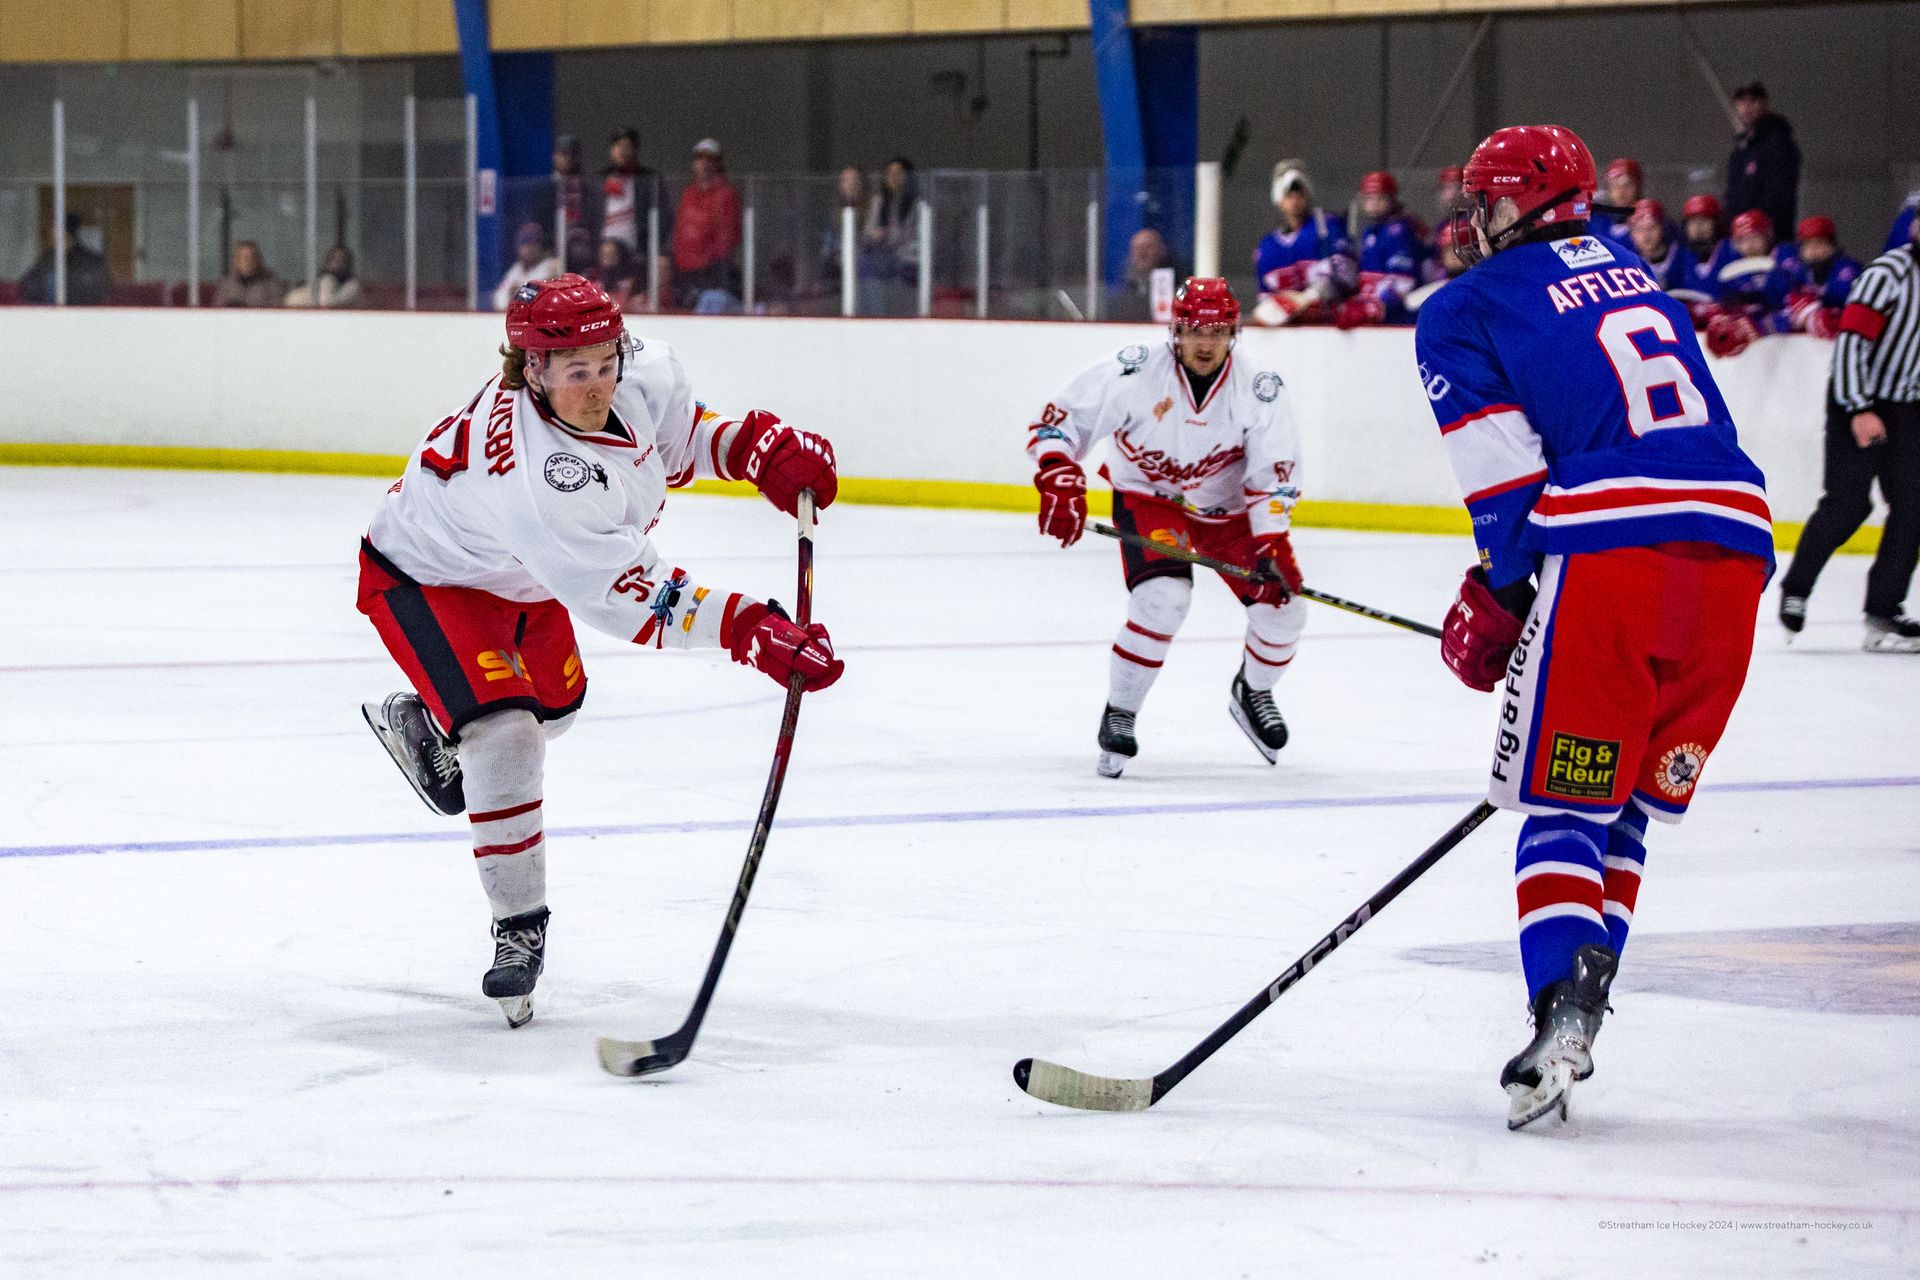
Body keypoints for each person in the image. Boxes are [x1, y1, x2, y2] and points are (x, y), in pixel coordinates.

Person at [356, 274, 843, 1027]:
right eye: (575, 371)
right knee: (506, 733)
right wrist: (751, 630)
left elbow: (679, 438)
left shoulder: (641, 370)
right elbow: (640, 596)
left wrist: (756, 449)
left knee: (558, 710)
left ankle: (432, 729)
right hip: (427, 575)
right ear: (533, 370)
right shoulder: (535, 481)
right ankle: (519, 925)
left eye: (606, 363)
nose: (596, 386)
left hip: (525, 574)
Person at [1414, 124, 1773, 1130]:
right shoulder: (1631, 269)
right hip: (1735, 555)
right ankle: (1580, 1010)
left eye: (1486, 201)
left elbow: (1505, 484)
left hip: (1615, 557)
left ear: (1524, 205)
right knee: (1623, 811)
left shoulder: (1461, 308)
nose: (1473, 221)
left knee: (1562, 807)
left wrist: (1501, 595)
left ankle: (1561, 1006)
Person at [1026, 277, 1307, 777]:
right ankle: (1121, 711)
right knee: (1163, 599)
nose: (1206, 343)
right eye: (1195, 330)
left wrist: (1269, 542)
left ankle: (1254, 691)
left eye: (1217, 331)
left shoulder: (1259, 387)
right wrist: (1058, 472)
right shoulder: (1134, 370)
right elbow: (1060, 422)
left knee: (1284, 609)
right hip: (1150, 498)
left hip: (1229, 512)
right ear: (1176, 331)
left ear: (1233, 332)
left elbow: (1274, 472)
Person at [1777, 218, 1920, 651]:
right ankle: (1796, 589)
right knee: (1848, 504)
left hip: (1907, 405)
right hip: (1856, 397)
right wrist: (1859, 408)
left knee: (1913, 506)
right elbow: (1851, 344)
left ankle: (1883, 612)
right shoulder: (1889, 274)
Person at [1252, 160, 1353, 326]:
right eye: (1289, 195)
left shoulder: (1327, 228)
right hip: (1287, 333)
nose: (1295, 200)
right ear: (1279, 200)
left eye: (1300, 194)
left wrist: (1311, 297)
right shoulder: (1266, 248)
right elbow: (1266, 301)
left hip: (1330, 327)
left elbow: (1348, 279)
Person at [1335, 170, 1427, 328]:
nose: (1373, 203)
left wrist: (1372, 308)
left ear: (1391, 199)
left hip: (1396, 319)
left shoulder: (1399, 230)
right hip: (1377, 317)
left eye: (1379, 197)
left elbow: (1402, 282)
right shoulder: (1370, 232)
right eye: (1368, 197)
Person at [1704, 210, 1797, 357]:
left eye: (1755, 237)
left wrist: (1762, 325)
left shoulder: (1785, 258)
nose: (1749, 246)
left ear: (1767, 235)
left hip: (1786, 349)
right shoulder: (1733, 270)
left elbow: (1795, 308)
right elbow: (1719, 304)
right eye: (1742, 240)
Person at [672, 138, 742, 311]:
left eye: (710, 159)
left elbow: (729, 236)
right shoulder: (688, 193)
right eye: (699, 158)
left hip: (710, 273)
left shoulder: (726, 195)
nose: (704, 164)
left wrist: (706, 261)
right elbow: (680, 230)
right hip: (684, 272)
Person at [1724, 81, 1801, 239]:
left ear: (1764, 103)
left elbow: (1778, 197)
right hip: (1741, 238)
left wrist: (1759, 228)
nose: (1747, 107)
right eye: (1741, 102)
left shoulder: (1779, 144)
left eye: (1753, 101)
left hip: (1768, 238)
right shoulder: (1741, 150)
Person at [1779, 216, 1862, 337]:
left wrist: (1814, 297)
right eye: (1807, 245)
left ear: (1832, 245)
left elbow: (1844, 293)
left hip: (1842, 331)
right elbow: (1782, 295)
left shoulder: (1847, 266)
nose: (1813, 250)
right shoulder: (1799, 269)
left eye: (1819, 243)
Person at [16, 211, 111, 305]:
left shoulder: (91, 261)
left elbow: (97, 295)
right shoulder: (47, 258)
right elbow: (27, 286)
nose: (51, 233)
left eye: (54, 228)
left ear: (65, 233)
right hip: (44, 312)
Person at [1109, 227, 1185, 323]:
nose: (1142, 253)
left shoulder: (1178, 289)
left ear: (1161, 250)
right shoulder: (1120, 292)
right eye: (1138, 248)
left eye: (1148, 247)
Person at [1625, 200, 1699, 295]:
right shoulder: (1628, 262)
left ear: (1662, 227)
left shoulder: (1684, 257)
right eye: (1640, 229)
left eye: (1652, 227)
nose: (1646, 235)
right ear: (1631, 234)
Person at [492, 223, 562, 312]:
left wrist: (516, 294)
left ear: (541, 246)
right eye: (524, 243)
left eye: (533, 243)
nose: (528, 248)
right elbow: (500, 299)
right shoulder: (516, 269)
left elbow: (535, 298)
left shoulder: (551, 266)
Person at [284, 246, 363, 309]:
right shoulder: (319, 281)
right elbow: (291, 299)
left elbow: (327, 303)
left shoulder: (352, 286)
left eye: (343, 261)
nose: (338, 264)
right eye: (334, 260)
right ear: (327, 263)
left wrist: (328, 281)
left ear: (349, 264)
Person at [215, 240, 286, 308]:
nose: (246, 261)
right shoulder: (227, 284)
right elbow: (217, 308)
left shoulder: (271, 283)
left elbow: (277, 308)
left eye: (251, 257)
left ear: (258, 260)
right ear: (236, 261)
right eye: (242, 257)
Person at [590, 236, 644, 308]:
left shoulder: (631, 282)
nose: (608, 258)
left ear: (620, 256)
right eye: (604, 254)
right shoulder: (592, 278)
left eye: (612, 254)